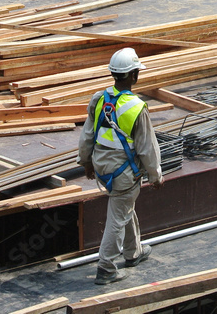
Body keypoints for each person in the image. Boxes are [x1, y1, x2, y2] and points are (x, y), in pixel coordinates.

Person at [78, 48, 163, 286]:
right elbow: (148, 148)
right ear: (134, 75)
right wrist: (156, 176)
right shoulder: (137, 107)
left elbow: (87, 136)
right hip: (124, 172)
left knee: (125, 207)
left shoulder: (100, 99)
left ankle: (133, 252)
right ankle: (106, 267)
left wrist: (85, 163)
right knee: (118, 216)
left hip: (103, 167)